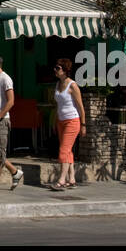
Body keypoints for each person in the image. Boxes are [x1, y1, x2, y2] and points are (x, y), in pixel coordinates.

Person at [0, 55, 22, 192]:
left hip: (1, 118)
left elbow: (11, 101)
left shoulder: (5, 79)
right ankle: (14, 171)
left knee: (0, 151)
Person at [50, 58, 86, 190]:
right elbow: (57, 105)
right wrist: (54, 121)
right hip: (61, 121)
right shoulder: (57, 84)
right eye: (55, 67)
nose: (55, 70)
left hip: (72, 121)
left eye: (58, 68)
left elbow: (81, 107)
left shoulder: (73, 85)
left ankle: (61, 179)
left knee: (63, 151)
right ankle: (72, 179)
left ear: (65, 70)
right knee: (68, 151)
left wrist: (83, 125)